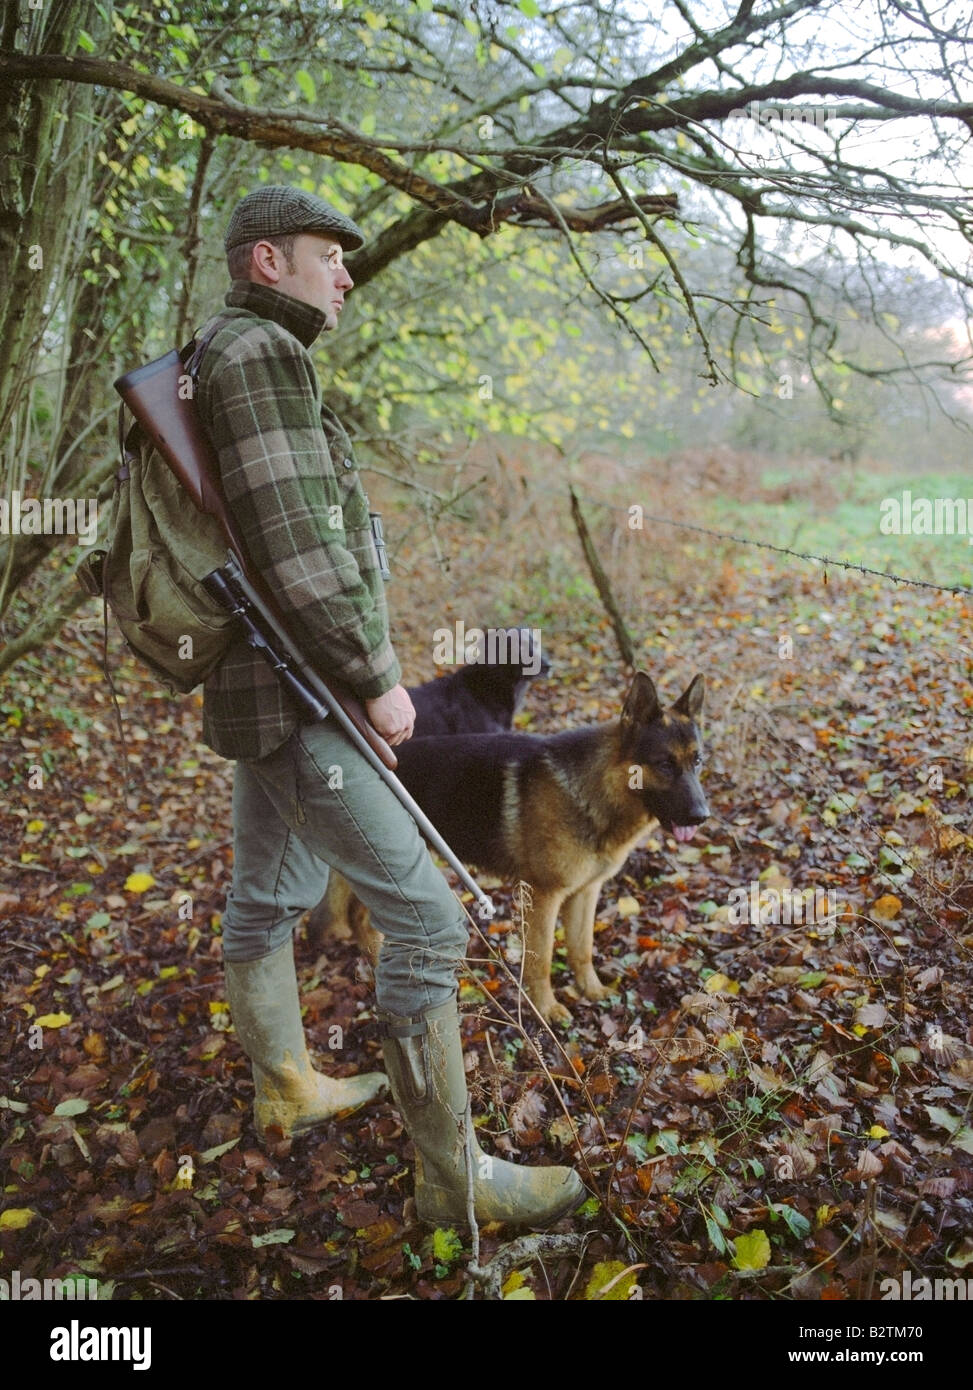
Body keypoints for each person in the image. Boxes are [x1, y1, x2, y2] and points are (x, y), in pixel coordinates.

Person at [193, 185, 583, 1227]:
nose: (348, 272)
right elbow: (296, 548)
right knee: (430, 919)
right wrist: (377, 680)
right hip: (302, 692)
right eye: (331, 254)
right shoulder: (261, 357)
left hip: (265, 683)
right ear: (267, 260)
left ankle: (286, 1084)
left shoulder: (223, 354)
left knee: (268, 895)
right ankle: (456, 1187)